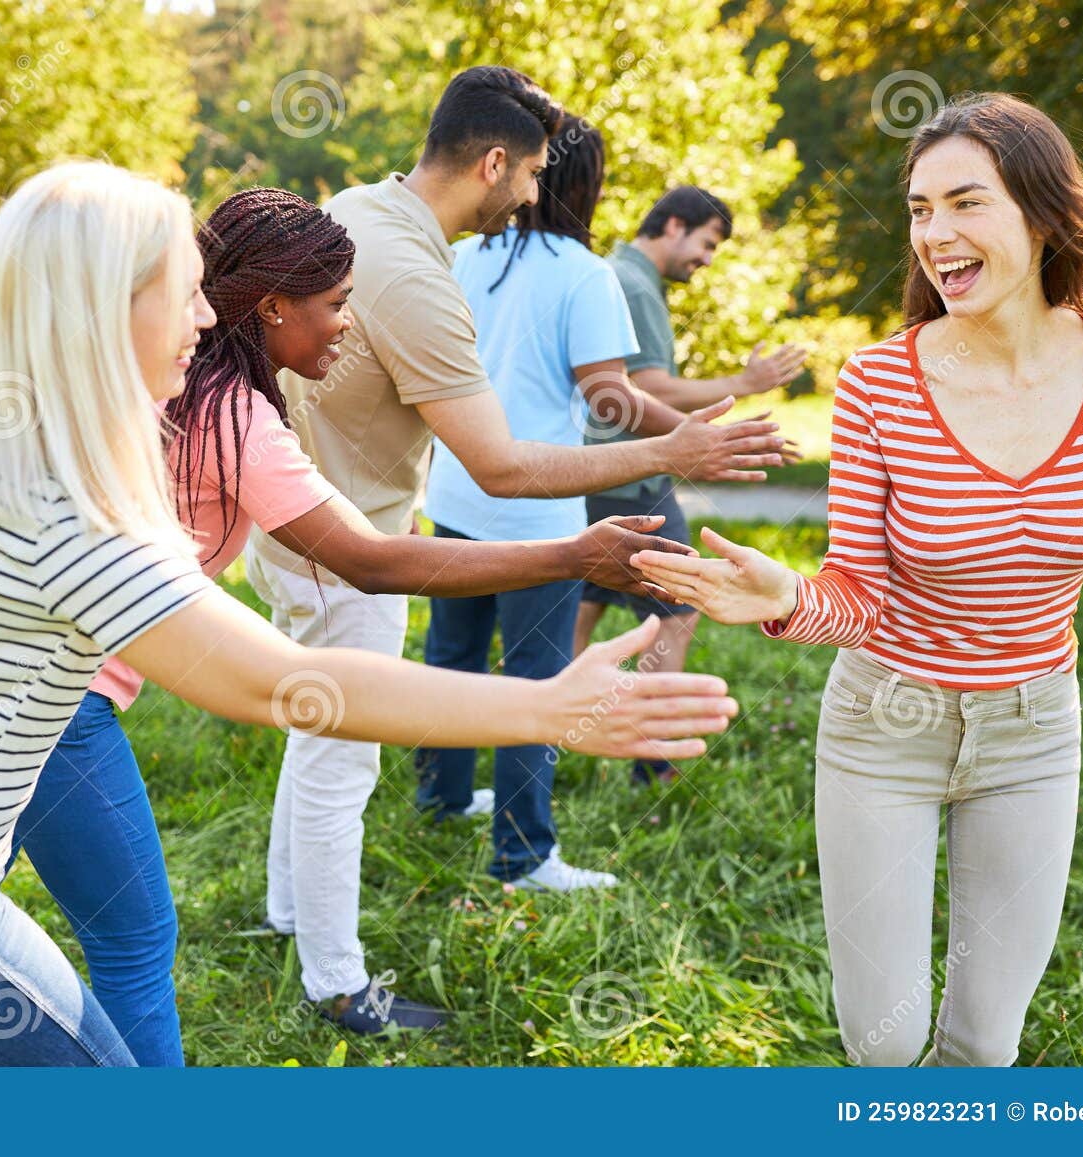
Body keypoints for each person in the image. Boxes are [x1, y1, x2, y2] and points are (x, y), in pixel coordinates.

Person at [0, 160, 739, 1067]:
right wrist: (542, 707)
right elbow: (282, 683)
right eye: (184, 292)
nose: (201, 313)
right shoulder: (82, 513)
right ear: (103, 305)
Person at [632, 94, 1083, 1067]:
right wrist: (788, 599)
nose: (934, 233)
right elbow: (860, 595)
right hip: (886, 723)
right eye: (919, 209)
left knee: (984, 1047)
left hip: (1034, 729)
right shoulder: (879, 382)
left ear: (1040, 213)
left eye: (964, 202)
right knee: (882, 1051)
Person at [245, 65, 790, 1025]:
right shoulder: (419, 273)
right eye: (532, 172)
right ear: (493, 162)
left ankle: (288, 910)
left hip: (299, 521)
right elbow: (501, 465)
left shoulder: (358, 209)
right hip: (350, 545)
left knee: (314, 726)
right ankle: (335, 985)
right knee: (345, 762)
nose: (539, 193)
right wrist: (675, 444)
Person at [413, 118, 797, 889]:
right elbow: (612, 399)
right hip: (537, 507)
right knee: (538, 679)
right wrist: (692, 436)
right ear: (586, 185)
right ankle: (523, 856)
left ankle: (443, 798)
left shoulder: (459, 255)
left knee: (452, 654)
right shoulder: (583, 273)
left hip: (455, 494)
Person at [574, 185, 808, 786]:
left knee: (585, 600)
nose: (706, 261)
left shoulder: (617, 274)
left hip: (600, 469)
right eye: (706, 244)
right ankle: (653, 760)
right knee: (678, 608)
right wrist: (747, 383)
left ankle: (554, 733)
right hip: (630, 473)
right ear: (674, 225)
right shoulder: (634, 284)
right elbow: (652, 387)